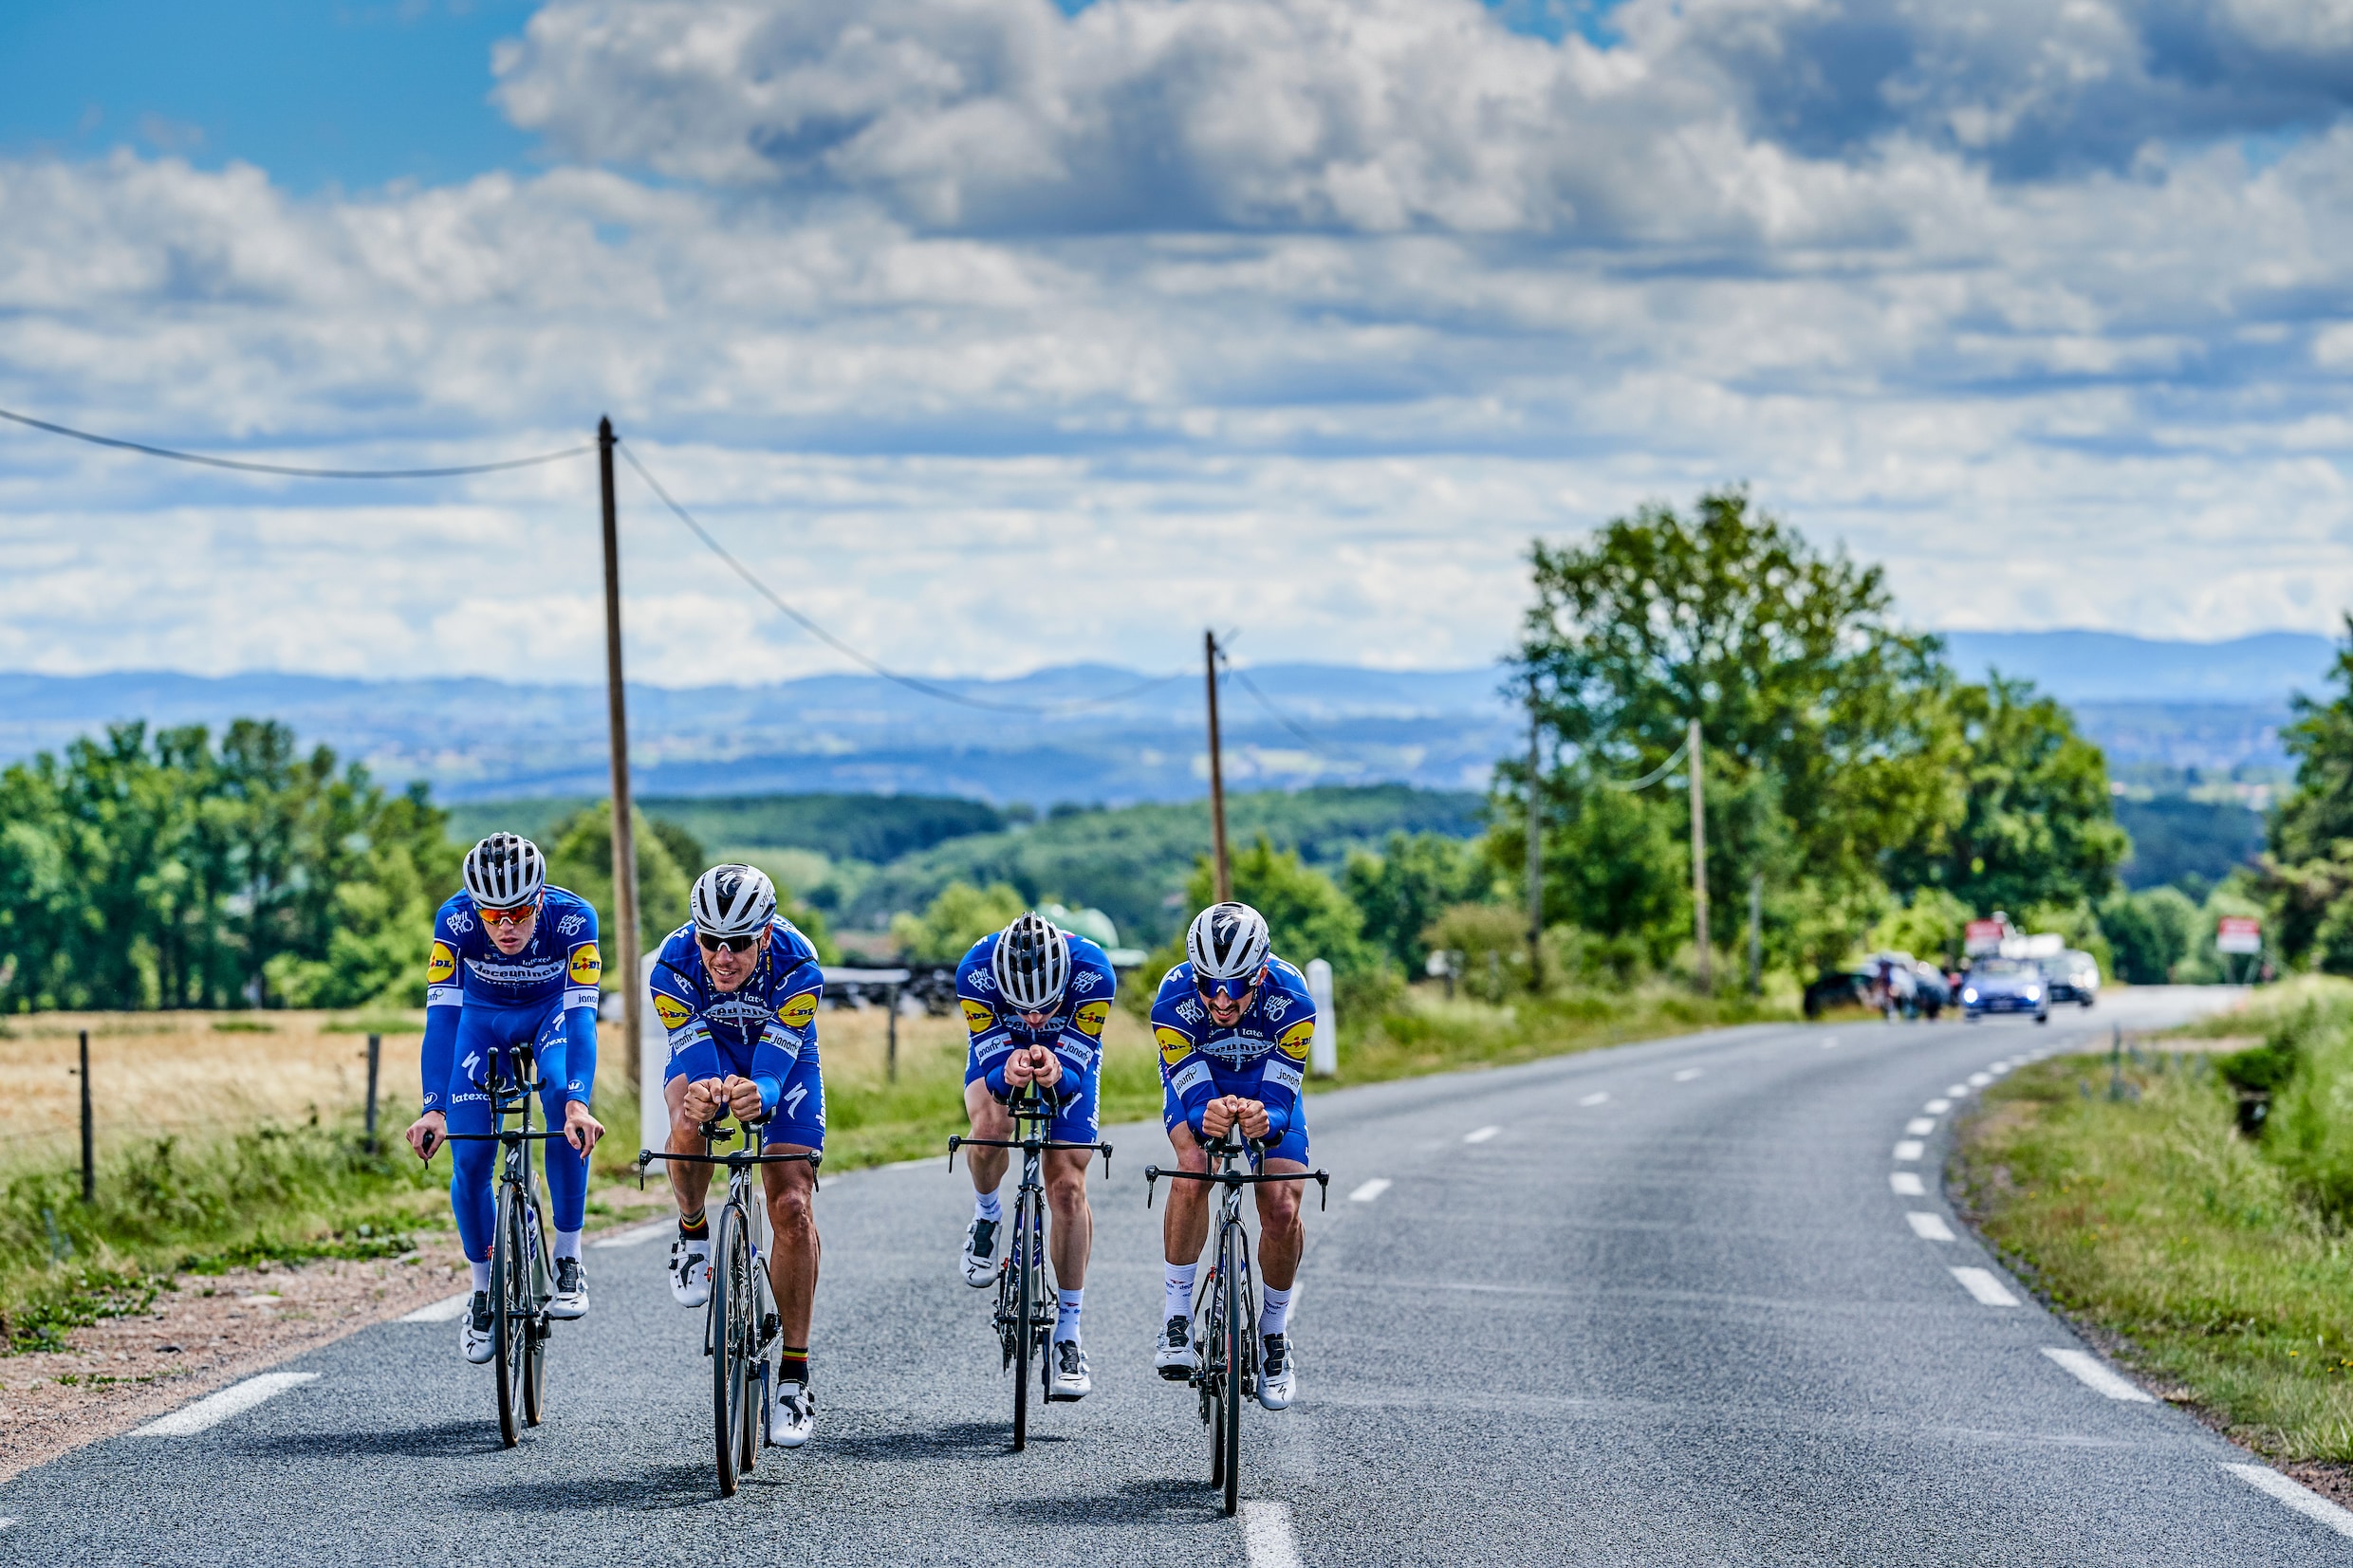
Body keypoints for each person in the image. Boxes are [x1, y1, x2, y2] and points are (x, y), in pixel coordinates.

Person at [402, 833, 604, 1364]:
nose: (505, 926)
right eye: (492, 916)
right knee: (469, 1158)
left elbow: (583, 1019)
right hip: (480, 1023)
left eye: (517, 912)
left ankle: (567, 1255)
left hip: (550, 1016)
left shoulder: (575, 920)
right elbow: (441, 1019)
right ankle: (482, 1288)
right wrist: (433, 1107)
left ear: (540, 899)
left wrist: (580, 1103)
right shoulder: (454, 922)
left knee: (562, 1101)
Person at [649, 864, 826, 1448]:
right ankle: (694, 1230)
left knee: (792, 1204)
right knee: (687, 1117)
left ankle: (795, 1374)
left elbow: (777, 1066)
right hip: (713, 1048)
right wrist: (708, 1092)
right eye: (712, 942)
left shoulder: (799, 965)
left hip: (783, 1059)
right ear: (695, 935)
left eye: (740, 944)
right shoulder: (673, 965)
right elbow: (694, 1060)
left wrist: (763, 1092)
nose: (723, 957)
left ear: (766, 935)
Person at [1149, 901, 1314, 1411]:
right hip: (1201, 1085)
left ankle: (1274, 1333)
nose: (1221, 999)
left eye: (1237, 984)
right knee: (1193, 1170)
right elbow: (1194, 1104)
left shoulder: (1293, 999)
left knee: (1282, 1206)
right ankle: (1177, 1315)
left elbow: (1282, 1103)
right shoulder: (1174, 1000)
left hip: (1266, 1089)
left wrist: (1267, 1121)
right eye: (1209, 983)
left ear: (1260, 973)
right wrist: (1207, 1115)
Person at [953, 911, 1117, 1401]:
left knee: (1066, 1184)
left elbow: (1074, 1073)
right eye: (1021, 1007)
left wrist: (1055, 1074)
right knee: (989, 1127)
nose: (1033, 1019)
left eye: (1044, 1006)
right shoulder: (975, 970)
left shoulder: (1095, 971)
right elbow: (993, 1071)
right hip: (1000, 1053)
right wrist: (1009, 1073)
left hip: (1070, 1054)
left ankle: (1069, 1331)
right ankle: (986, 1216)